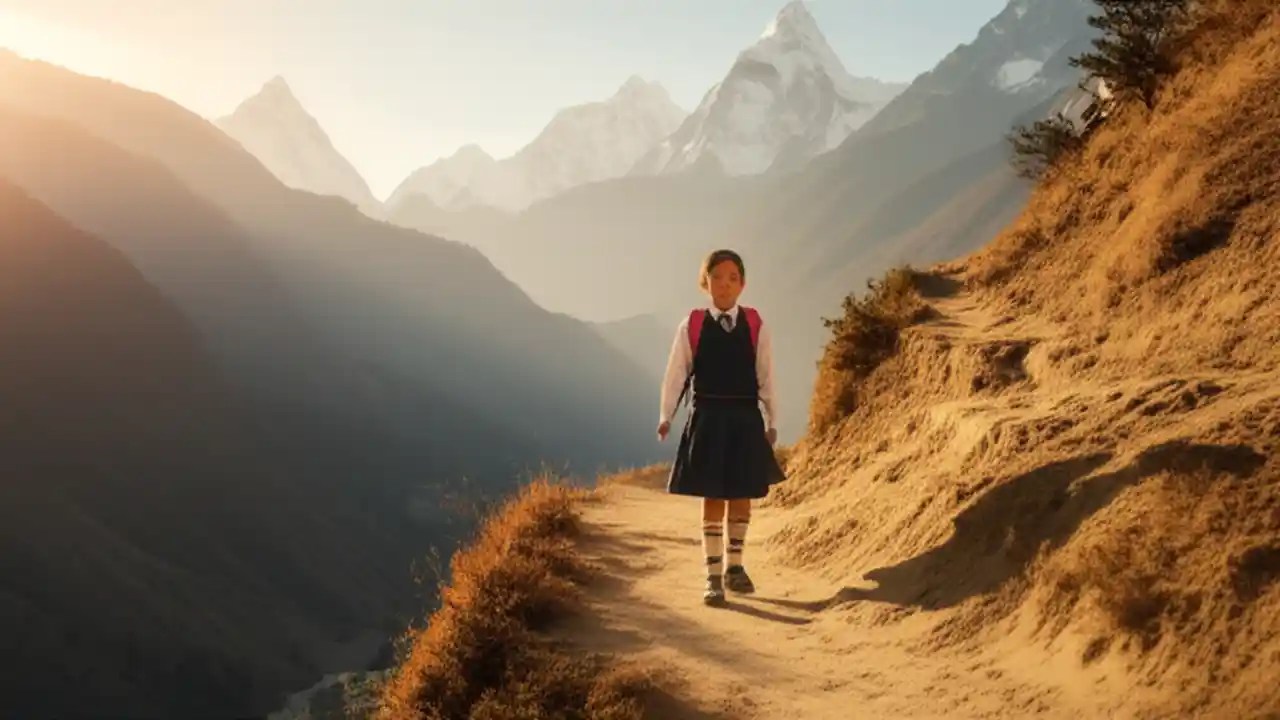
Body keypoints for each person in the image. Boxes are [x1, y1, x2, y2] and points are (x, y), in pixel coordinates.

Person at [657, 248, 786, 606]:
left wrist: (773, 420)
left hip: (745, 418)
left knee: (741, 495)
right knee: (713, 495)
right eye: (717, 277)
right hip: (709, 418)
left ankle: (736, 567)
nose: (724, 285)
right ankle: (713, 575)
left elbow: (767, 375)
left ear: (742, 284)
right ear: (705, 282)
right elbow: (676, 372)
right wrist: (665, 414)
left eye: (732, 278)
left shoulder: (756, 324)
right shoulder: (693, 325)